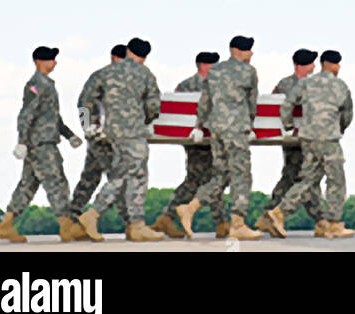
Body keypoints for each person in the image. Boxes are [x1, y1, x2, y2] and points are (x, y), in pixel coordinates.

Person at [259, 49, 354, 241]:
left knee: (308, 180)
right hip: (328, 138)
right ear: (334, 65)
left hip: (308, 139)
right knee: (336, 179)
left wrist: (289, 126)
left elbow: (286, 105)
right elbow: (347, 115)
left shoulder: (306, 83)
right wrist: (340, 129)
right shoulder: (340, 85)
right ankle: (333, 223)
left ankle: (278, 213)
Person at [0, 45, 84, 244]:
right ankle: (66, 227)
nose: (54, 62)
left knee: (27, 186)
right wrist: (22, 141)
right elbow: (26, 114)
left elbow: (53, 117)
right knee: (57, 183)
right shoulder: (35, 85)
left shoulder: (47, 84)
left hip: (42, 142)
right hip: (41, 144)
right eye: (51, 59)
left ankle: (5, 225)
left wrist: (69, 135)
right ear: (39, 61)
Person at [176, 36, 261, 241]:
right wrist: (249, 125)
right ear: (239, 51)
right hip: (236, 129)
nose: (251, 53)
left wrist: (198, 125)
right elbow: (251, 104)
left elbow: (204, 102)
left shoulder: (214, 72)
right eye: (248, 50)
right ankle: (238, 223)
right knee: (242, 176)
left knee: (221, 176)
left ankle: (190, 207)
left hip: (216, 131)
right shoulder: (248, 72)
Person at [78, 36, 163, 242]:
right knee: (132, 176)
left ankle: (135, 225)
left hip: (111, 131)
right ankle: (94, 214)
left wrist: (91, 125)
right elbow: (154, 107)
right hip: (133, 131)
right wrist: (144, 119)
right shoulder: (145, 74)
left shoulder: (104, 73)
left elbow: (85, 100)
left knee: (126, 174)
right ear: (144, 56)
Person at [154, 51, 230, 239]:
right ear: (203, 65)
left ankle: (169, 216)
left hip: (212, 138)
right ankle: (220, 222)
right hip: (196, 140)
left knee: (207, 179)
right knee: (206, 179)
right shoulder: (189, 86)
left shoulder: (213, 84)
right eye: (212, 64)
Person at [255, 48, 327, 236]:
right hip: (303, 137)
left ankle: (269, 215)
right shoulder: (310, 85)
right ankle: (320, 220)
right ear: (305, 65)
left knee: (292, 176)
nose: (314, 65)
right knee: (307, 177)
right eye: (312, 62)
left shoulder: (283, 84)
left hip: (288, 137)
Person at [70, 43, 127, 224]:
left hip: (115, 138)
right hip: (100, 137)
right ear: (115, 58)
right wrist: (88, 127)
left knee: (91, 176)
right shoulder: (101, 77)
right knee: (118, 177)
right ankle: (131, 221)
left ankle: (71, 216)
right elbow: (83, 103)